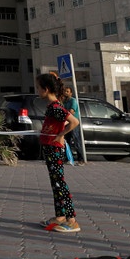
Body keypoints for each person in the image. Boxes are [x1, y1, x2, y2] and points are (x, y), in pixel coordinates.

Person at [37, 73, 81, 233]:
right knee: (55, 184)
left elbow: (74, 122)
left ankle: (71, 220)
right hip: (49, 149)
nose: (37, 91)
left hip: (55, 150)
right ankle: (60, 216)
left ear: (46, 89)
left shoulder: (56, 107)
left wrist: (60, 135)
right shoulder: (51, 107)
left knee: (60, 184)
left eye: (38, 88)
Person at [62, 83, 83, 164]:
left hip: (74, 123)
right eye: (65, 91)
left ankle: (80, 159)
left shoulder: (73, 101)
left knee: (77, 140)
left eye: (67, 91)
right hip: (67, 123)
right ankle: (68, 158)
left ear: (71, 93)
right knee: (67, 141)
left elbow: (72, 111)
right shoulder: (64, 101)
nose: (65, 93)